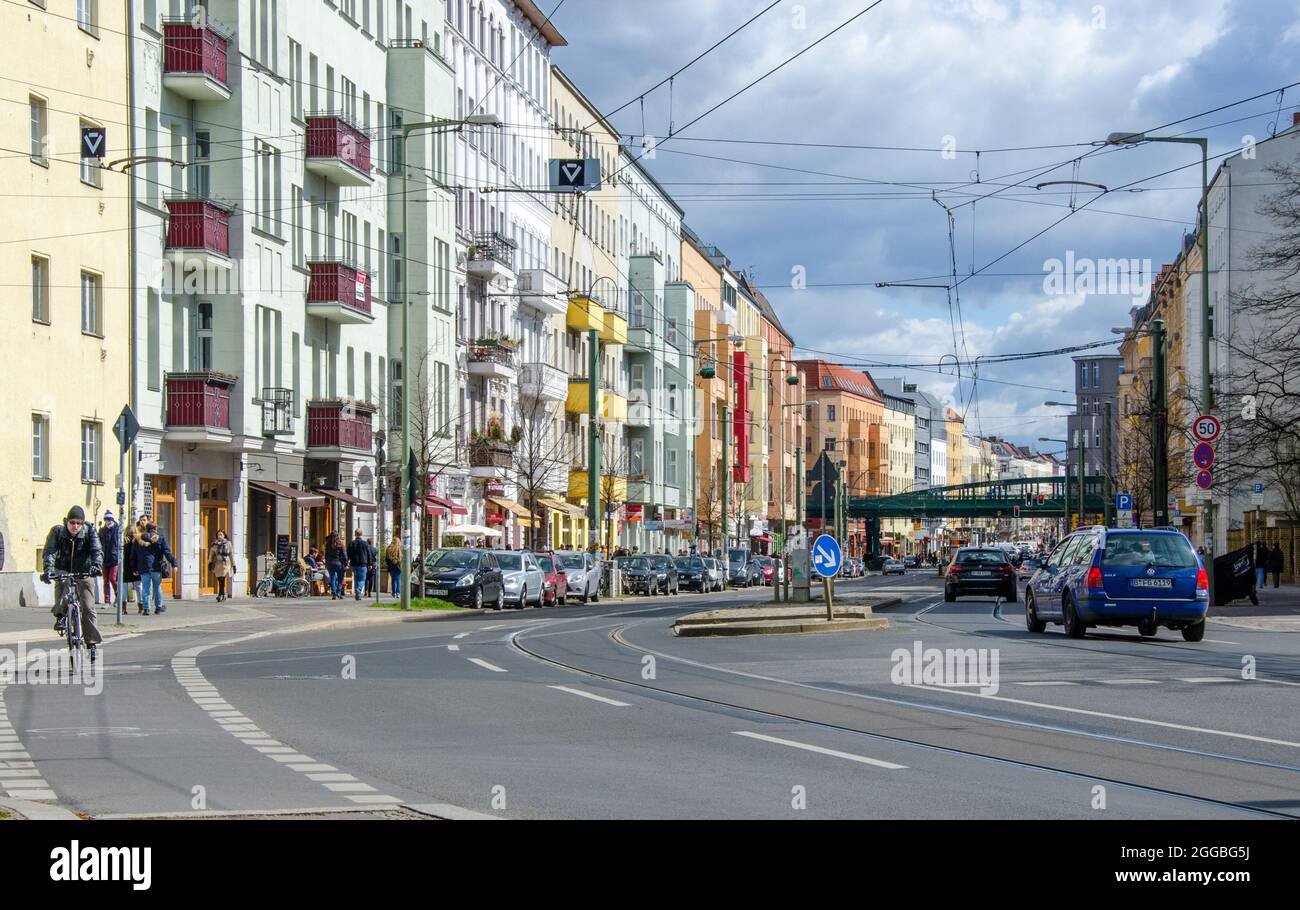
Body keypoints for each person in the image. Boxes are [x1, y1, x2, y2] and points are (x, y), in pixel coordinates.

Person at [42, 506, 104, 661]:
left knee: (88, 607)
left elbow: (97, 550)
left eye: (78, 523)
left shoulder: (89, 531)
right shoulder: (57, 532)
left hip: (84, 570)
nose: (75, 526)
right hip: (63, 568)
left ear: (82, 523)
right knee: (62, 585)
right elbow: (49, 552)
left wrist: (96, 566)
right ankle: (61, 615)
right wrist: (48, 569)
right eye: (72, 522)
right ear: (66, 522)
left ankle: (91, 644)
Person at [136, 521, 177, 615]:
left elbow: (135, 554)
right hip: (156, 567)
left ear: (146, 528)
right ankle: (158, 607)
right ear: (155, 528)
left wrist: (135, 567)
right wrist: (174, 563)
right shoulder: (160, 538)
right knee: (157, 587)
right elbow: (167, 552)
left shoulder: (140, 538)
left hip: (144, 567)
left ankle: (146, 609)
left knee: (145, 588)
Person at [98, 511, 120, 607]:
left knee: (112, 578)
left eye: (109, 520)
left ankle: (118, 597)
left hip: (114, 558)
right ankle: (107, 601)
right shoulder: (102, 531)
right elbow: (99, 542)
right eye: (106, 520)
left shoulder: (117, 529)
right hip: (104, 558)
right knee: (105, 580)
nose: (108, 522)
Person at [207, 530, 235, 602]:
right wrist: (209, 562)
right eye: (218, 535)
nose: (219, 536)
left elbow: (231, 554)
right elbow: (211, 554)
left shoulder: (228, 543)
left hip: (226, 562)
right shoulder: (214, 544)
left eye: (221, 535)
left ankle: (220, 595)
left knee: (222, 578)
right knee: (219, 579)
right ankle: (222, 594)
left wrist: (233, 564)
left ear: (224, 535)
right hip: (217, 562)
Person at [346, 529, 370, 601]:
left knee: (356, 578)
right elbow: (368, 554)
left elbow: (348, 554)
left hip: (354, 564)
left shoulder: (351, 543)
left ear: (355, 534)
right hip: (363, 564)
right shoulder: (365, 543)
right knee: (362, 579)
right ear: (361, 534)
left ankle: (357, 592)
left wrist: (347, 562)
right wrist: (370, 563)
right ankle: (358, 590)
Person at [325, 533, 349, 600]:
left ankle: (334, 594)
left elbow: (326, 555)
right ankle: (338, 592)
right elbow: (344, 554)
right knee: (340, 578)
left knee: (332, 578)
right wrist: (346, 563)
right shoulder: (340, 544)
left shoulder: (328, 544)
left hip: (330, 563)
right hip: (339, 563)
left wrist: (326, 563)